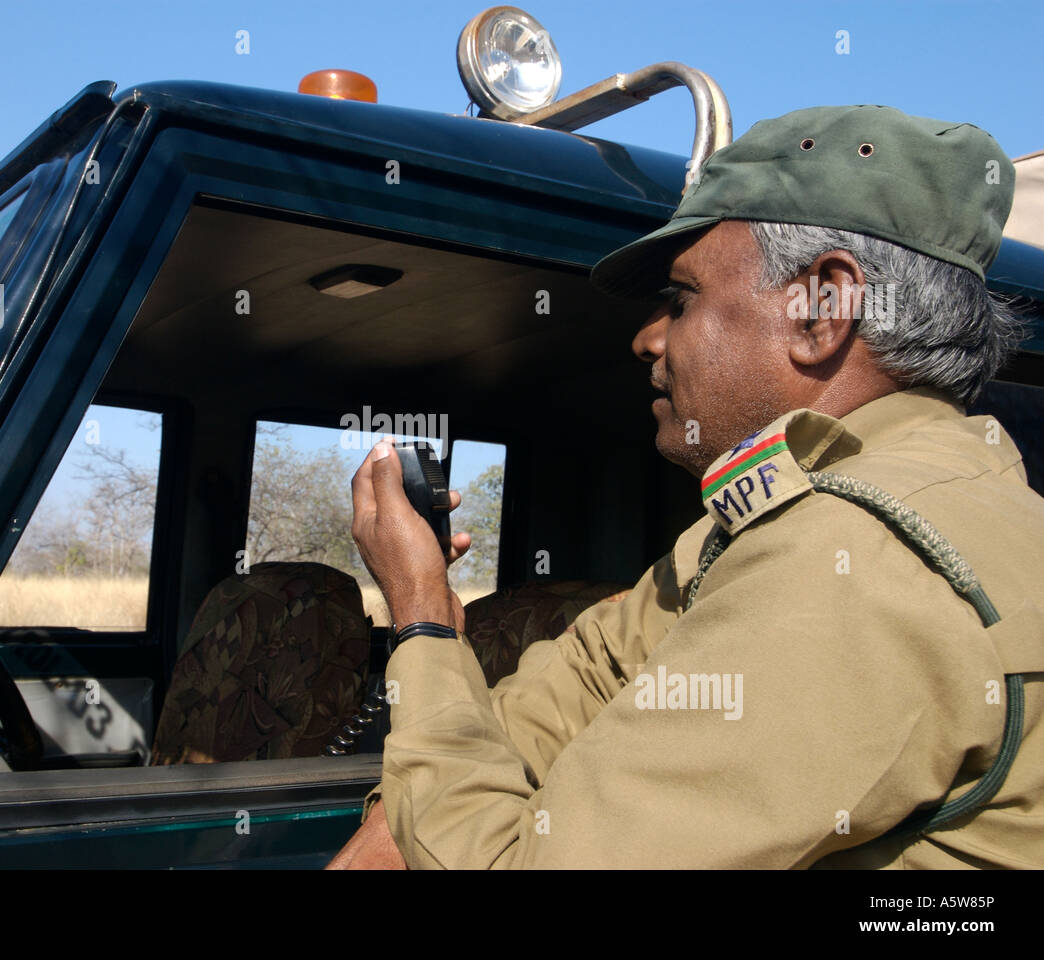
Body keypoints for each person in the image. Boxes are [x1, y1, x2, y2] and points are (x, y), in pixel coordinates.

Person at [327, 104, 1044, 869]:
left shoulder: (857, 556)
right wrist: (402, 817)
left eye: (681, 299)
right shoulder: (801, 502)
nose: (648, 338)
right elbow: (584, 682)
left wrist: (425, 617)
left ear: (824, 309)